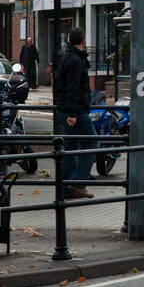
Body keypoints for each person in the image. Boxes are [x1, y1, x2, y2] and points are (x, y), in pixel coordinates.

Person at [54, 27, 97, 199]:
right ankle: (78, 183)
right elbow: (73, 89)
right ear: (83, 41)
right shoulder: (75, 61)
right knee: (93, 143)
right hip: (76, 111)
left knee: (70, 148)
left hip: (65, 109)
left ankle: (65, 187)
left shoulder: (68, 58)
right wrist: (72, 114)